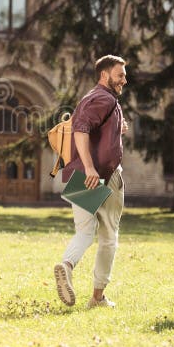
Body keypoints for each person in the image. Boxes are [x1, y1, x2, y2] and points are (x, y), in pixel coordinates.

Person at [53, 55, 129, 308]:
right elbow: (81, 130)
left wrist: (118, 128)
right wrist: (89, 168)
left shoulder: (95, 98)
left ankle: (66, 265)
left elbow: (91, 128)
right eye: (120, 75)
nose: (124, 80)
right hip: (102, 176)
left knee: (84, 232)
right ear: (104, 75)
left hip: (81, 174)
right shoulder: (103, 98)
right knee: (109, 236)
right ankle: (97, 298)